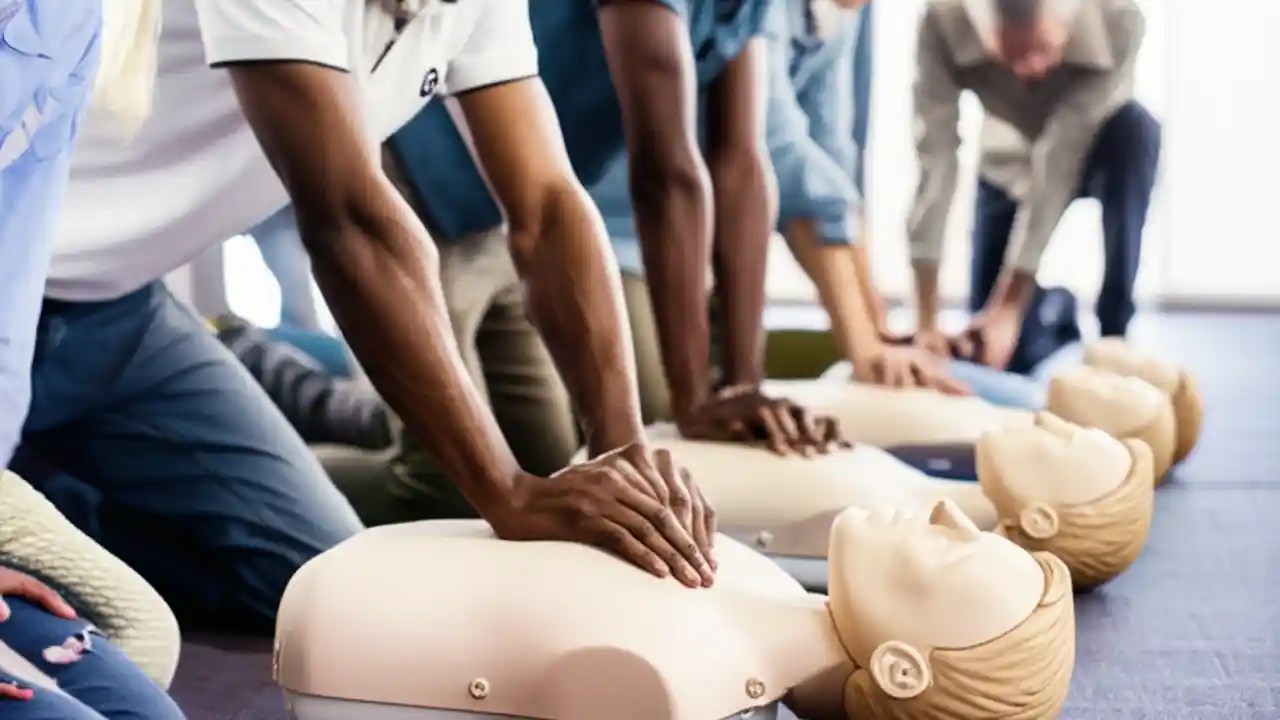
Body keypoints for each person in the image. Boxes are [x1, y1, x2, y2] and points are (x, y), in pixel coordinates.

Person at [14, 0, 721, 633]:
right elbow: (350, 224)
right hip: (15, 289)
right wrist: (507, 492)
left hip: (121, 312)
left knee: (318, 585)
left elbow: (547, 204)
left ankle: (54, 493)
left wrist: (623, 451)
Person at [380, 0, 843, 514]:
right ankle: (319, 437)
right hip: (419, 176)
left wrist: (740, 385)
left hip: (515, 199)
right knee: (447, 484)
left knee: (550, 463)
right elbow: (665, 169)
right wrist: (693, 402)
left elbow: (741, 162)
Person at [909, 0, 1159, 372]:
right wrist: (926, 320)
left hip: (1089, 151)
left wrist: (1010, 303)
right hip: (1005, 162)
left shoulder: (1119, 18)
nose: (1030, 69)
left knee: (1136, 130)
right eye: (1012, 55)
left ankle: (1114, 330)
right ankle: (1056, 308)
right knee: (995, 348)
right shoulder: (942, 21)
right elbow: (936, 161)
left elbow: (1059, 159)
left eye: (1042, 49)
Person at [750, 0, 971, 393]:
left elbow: (833, 154)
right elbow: (781, 151)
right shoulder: (763, 10)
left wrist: (877, 326)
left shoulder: (842, 16)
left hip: (712, 245)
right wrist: (864, 347)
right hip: (640, 229)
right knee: (656, 396)